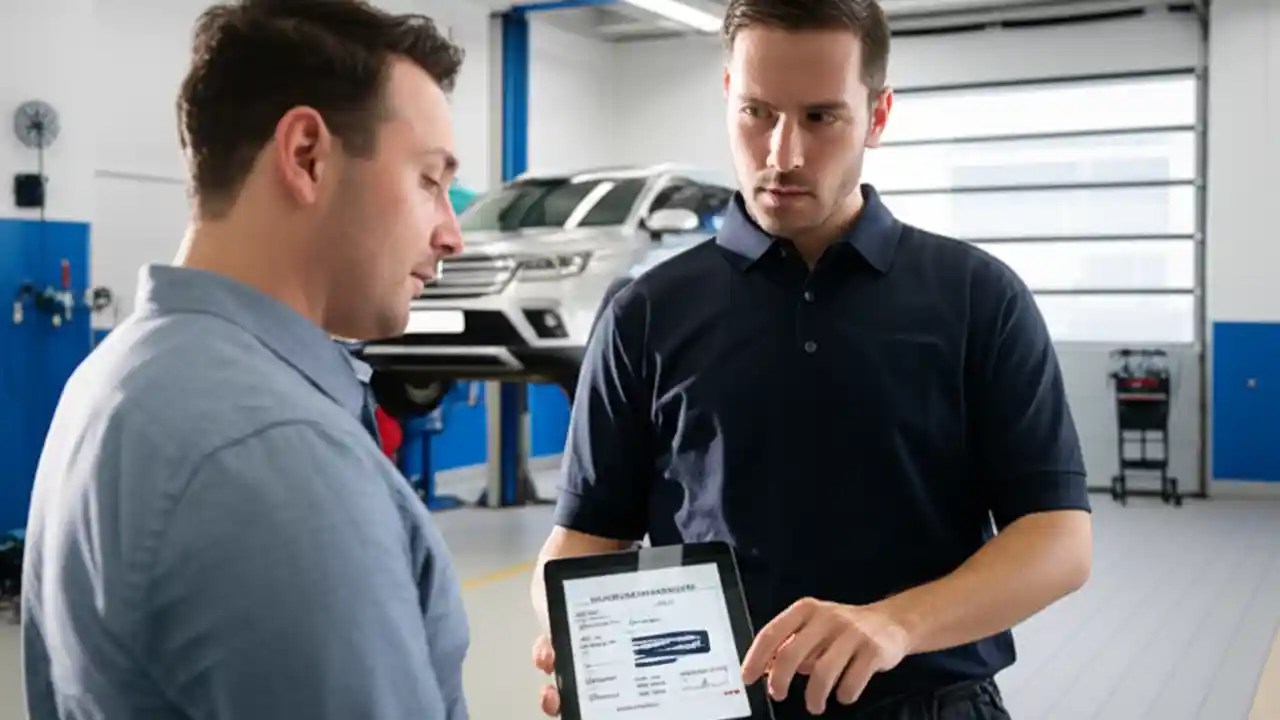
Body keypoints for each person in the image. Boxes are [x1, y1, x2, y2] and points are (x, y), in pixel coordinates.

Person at [529, 0, 1093, 717]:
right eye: (757, 112)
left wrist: (894, 624)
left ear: (879, 117)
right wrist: (579, 642)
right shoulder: (645, 311)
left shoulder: (979, 298)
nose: (782, 154)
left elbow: (1058, 538)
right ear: (728, 94)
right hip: (712, 706)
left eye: (821, 118)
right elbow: (584, 535)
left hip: (928, 703)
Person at [21, 1, 470, 718]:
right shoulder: (276, 456)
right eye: (429, 179)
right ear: (306, 157)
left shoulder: (114, 379)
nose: (452, 234)